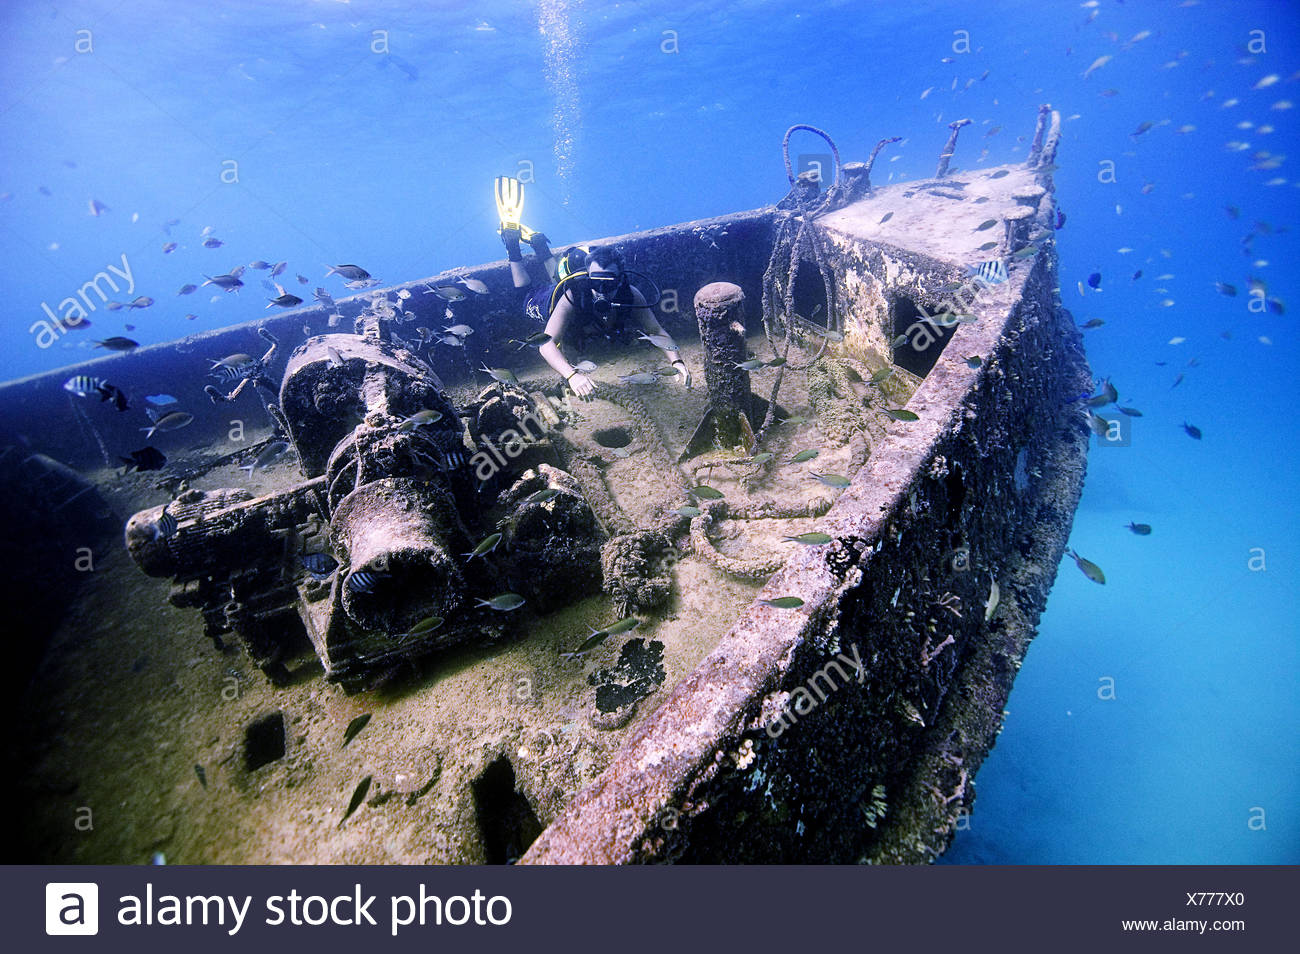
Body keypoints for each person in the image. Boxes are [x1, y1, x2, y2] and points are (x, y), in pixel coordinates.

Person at [494, 178, 690, 399]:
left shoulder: (631, 294)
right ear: (587, 279)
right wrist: (572, 376)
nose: (602, 290)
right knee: (524, 297)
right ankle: (512, 244)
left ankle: (540, 244)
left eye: (610, 283)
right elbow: (546, 344)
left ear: (620, 279)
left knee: (554, 279)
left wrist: (677, 362)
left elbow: (656, 331)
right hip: (551, 300)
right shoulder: (573, 295)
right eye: (596, 283)